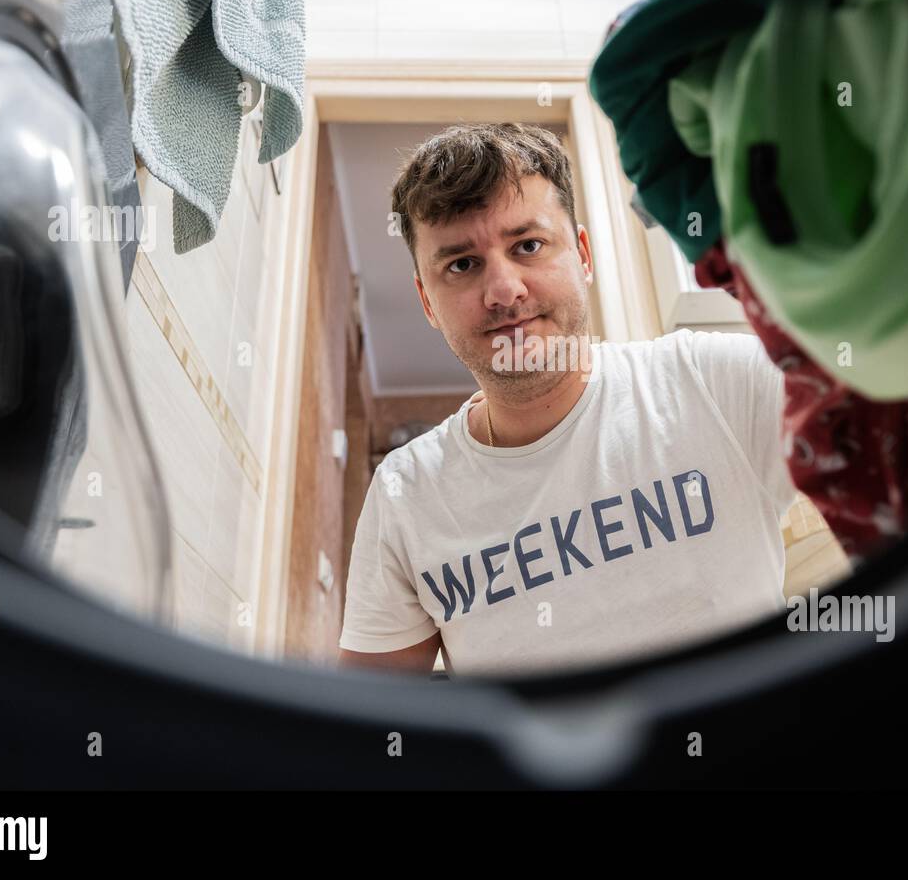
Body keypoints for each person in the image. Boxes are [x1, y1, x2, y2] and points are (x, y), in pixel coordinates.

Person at [336, 123, 797, 678]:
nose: (504, 290)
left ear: (582, 254)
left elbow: (905, 424)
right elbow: (378, 723)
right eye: (461, 264)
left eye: (528, 246)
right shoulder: (405, 495)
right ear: (427, 302)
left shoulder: (717, 382)